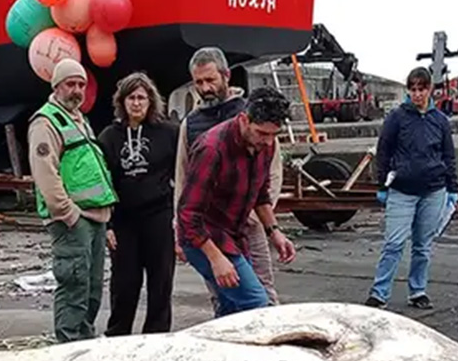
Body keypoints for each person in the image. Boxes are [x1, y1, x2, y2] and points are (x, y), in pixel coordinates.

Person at [174, 47, 284, 305]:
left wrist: (271, 227)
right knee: (236, 296)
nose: (205, 88)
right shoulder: (195, 129)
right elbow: (183, 182)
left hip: (248, 221)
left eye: (210, 80)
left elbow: (267, 179)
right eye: (199, 82)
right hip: (208, 226)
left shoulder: (260, 122)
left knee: (262, 292)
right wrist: (178, 229)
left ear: (226, 76)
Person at [28, 58, 118, 342]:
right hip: (73, 219)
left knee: (92, 288)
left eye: (81, 84)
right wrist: (67, 213)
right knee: (74, 284)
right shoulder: (46, 122)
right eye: (70, 84)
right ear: (56, 86)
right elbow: (45, 171)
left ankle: (84, 339)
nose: (77, 90)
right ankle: (68, 344)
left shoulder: (79, 120)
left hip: (94, 218)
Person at [365, 66, 458, 310]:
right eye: (413, 89)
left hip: (434, 191)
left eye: (422, 88)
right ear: (408, 90)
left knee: (422, 246)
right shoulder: (397, 118)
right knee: (394, 243)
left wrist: (452, 187)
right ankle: (379, 292)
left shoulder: (440, 121)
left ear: (430, 90)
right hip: (402, 190)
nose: (417, 94)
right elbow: (384, 151)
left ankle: (418, 291)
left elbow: (448, 155)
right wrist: (382, 184)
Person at [97, 72, 179, 336]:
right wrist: (106, 224)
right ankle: (117, 335)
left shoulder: (170, 133)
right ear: (122, 102)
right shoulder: (109, 136)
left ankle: (157, 334)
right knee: (124, 283)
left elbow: (182, 175)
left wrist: (181, 219)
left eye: (141, 98)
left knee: (161, 281)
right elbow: (102, 182)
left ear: (151, 101)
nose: (136, 104)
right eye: (131, 98)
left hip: (159, 215)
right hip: (123, 220)